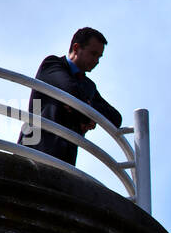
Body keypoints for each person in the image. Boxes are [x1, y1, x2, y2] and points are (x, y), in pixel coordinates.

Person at [19, 27, 122, 166]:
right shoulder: (52, 65)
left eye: (99, 56)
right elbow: (70, 91)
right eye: (93, 54)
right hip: (33, 154)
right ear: (76, 47)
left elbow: (115, 118)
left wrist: (84, 109)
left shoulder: (88, 85)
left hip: (64, 163)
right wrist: (88, 114)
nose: (97, 61)